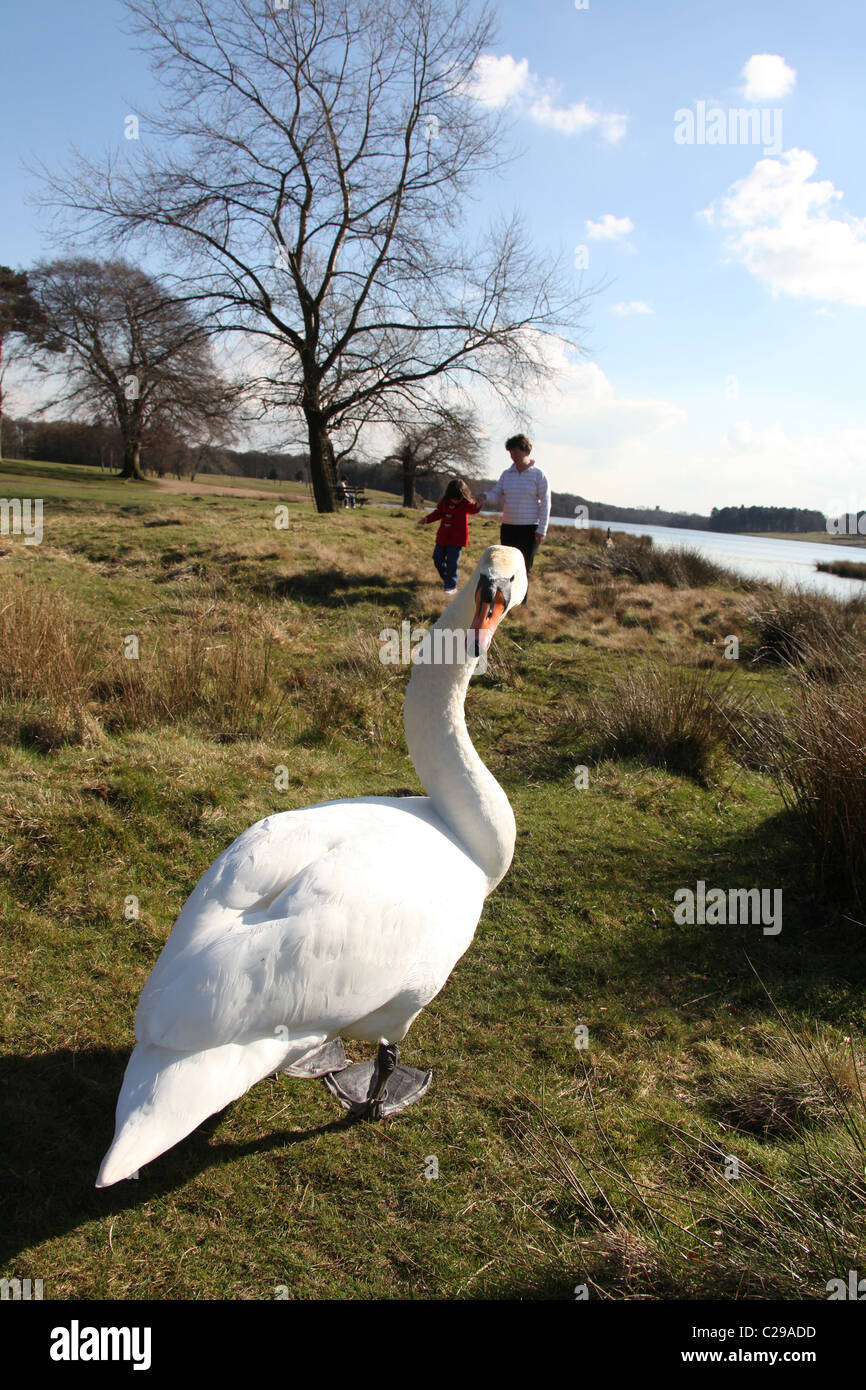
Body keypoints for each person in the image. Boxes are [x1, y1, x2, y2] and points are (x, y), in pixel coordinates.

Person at [477, 435, 550, 596]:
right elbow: (497, 495)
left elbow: (546, 503)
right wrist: (485, 496)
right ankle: (504, 598)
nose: (513, 458)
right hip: (508, 527)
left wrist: (541, 530)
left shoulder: (539, 475)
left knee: (524, 567)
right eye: (510, 454)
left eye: (515, 454)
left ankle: (521, 600)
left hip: (530, 529)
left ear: (525, 451)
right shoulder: (506, 474)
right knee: (506, 566)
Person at [417, 478, 482, 595]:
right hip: (442, 537)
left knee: (452, 562)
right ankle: (447, 579)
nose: (455, 501)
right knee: (437, 558)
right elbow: (437, 513)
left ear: (463, 495)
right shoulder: (444, 503)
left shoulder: (465, 504)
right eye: (453, 498)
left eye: (457, 499)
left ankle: (451, 586)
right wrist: (426, 519)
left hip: (457, 539)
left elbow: (474, 509)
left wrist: (478, 503)